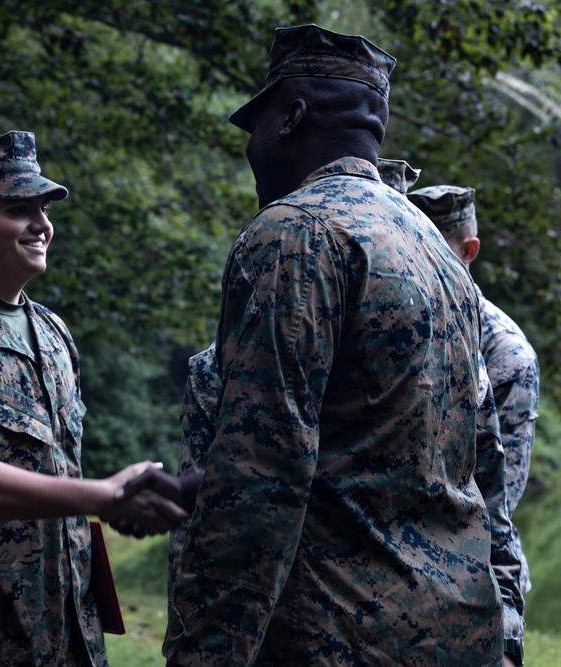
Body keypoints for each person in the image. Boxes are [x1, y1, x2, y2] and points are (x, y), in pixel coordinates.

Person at [165, 25, 522, 665]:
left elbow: (260, 473)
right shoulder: (433, 250)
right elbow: (483, 465)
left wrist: (206, 651)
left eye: (258, 122)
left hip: (337, 637)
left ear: (292, 117)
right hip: (454, 635)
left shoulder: (295, 233)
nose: (251, 145)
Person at [0, 130, 187, 666]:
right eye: (20, 209)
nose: (42, 225)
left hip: (73, 634)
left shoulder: (54, 334)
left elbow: (56, 472)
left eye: (44, 209)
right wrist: (102, 495)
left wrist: (117, 498)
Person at [161, 155, 426, 657]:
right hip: (330, 625)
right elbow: (233, 493)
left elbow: (483, 485)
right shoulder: (220, 366)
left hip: (348, 628)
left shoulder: (295, 236)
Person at [409, 184, 539, 652]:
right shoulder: (400, 320)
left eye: (438, 251)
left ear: (469, 251)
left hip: (466, 565)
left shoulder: (505, 355)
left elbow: (496, 500)